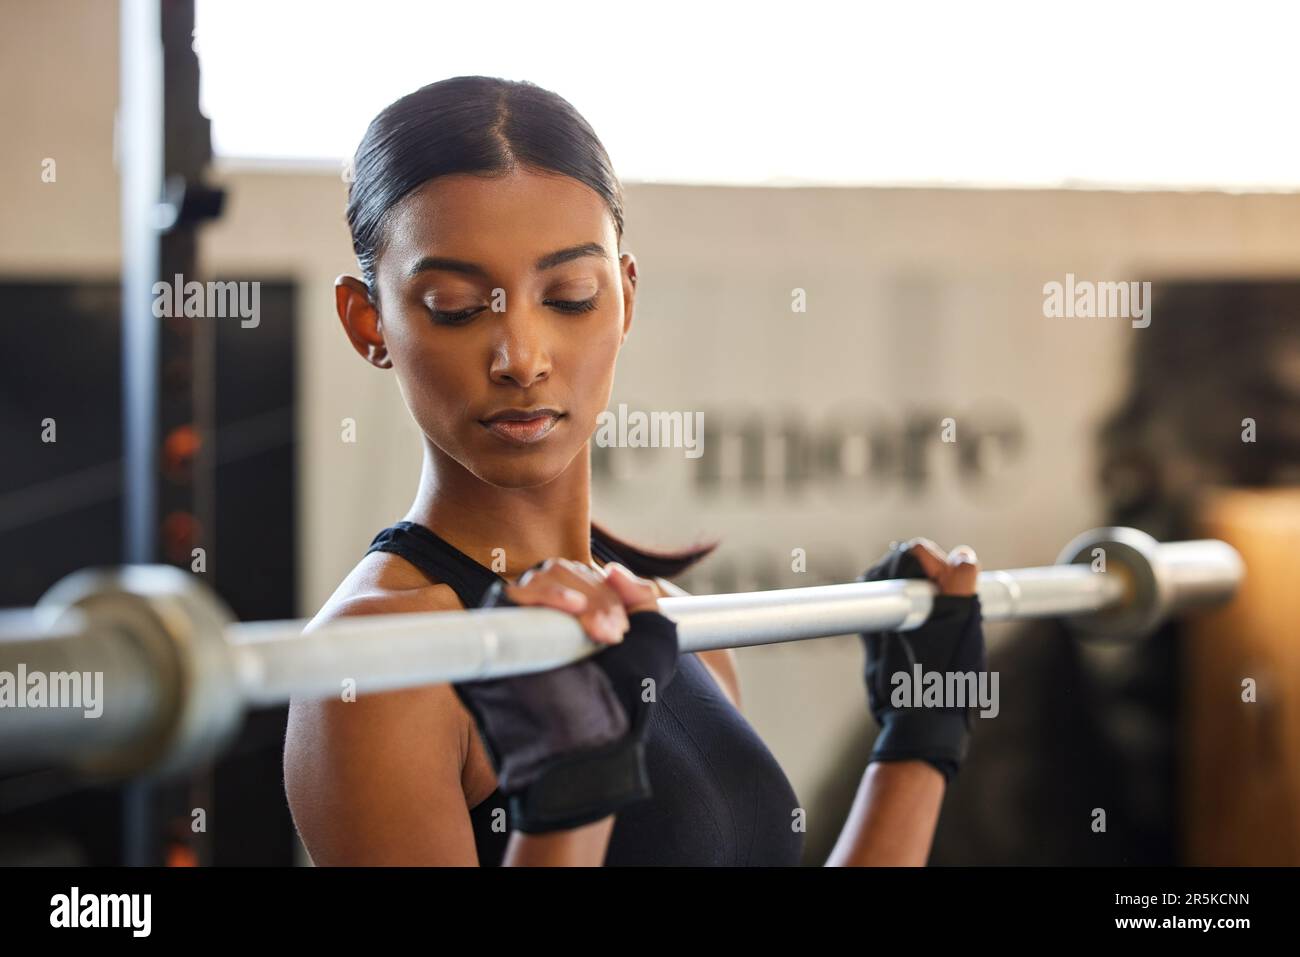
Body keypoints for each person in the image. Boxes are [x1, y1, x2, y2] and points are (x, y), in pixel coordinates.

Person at [282, 75, 985, 866]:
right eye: (455, 304)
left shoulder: (680, 631)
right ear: (368, 321)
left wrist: (919, 741)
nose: (523, 358)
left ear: (625, 298)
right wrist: (571, 796)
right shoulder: (378, 666)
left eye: (571, 295)